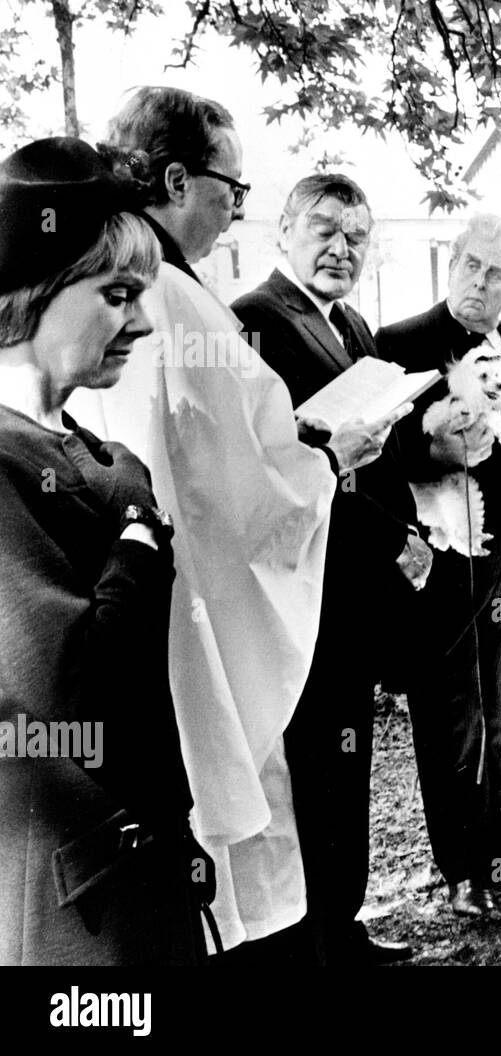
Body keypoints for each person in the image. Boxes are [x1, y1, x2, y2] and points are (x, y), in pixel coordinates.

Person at [74, 86, 400, 958]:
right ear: (179, 180)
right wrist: (328, 459)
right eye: (234, 189)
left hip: (160, 591)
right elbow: (232, 489)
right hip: (189, 603)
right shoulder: (176, 303)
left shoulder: (136, 284)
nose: (234, 210)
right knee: (227, 830)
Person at [0, 137, 211, 964]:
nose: (145, 320)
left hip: (140, 869)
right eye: (118, 293)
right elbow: (74, 711)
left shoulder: (82, 446)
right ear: (30, 296)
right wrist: (140, 541)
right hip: (77, 901)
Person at [231, 174, 428, 964]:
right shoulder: (254, 322)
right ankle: (312, 937)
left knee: (347, 765)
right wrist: (395, 542)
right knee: (314, 764)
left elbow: (370, 461)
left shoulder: (351, 322)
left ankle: (343, 925)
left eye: (356, 235)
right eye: (323, 229)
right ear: (283, 231)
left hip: (347, 588)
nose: (341, 248)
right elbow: (282, 469)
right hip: (302, 583)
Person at [377, 213, 501, 918]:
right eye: (473, 265)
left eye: (499, 274)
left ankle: (498, 848)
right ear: (451, 262)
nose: (482, 282)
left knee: (498, 707)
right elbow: (378, 457)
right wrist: (439, 450)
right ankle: (458, 868)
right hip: (442, 559)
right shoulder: (397, 345)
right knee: (449, 714)